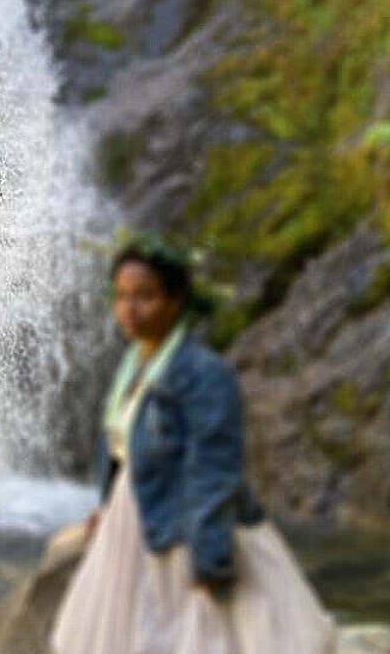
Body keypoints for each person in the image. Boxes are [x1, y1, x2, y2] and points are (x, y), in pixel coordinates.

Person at [50, 236, 335, 654]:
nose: (129, 308)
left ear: (176, 299)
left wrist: (211, 556)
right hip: (137, 513)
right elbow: (122, 447)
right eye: (122, 296)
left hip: (190, 518)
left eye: (145, 296)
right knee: (148, 632)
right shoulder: (134, 365)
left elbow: (215, 465)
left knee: (205, 633)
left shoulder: (203, 373)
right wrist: (107, 507)